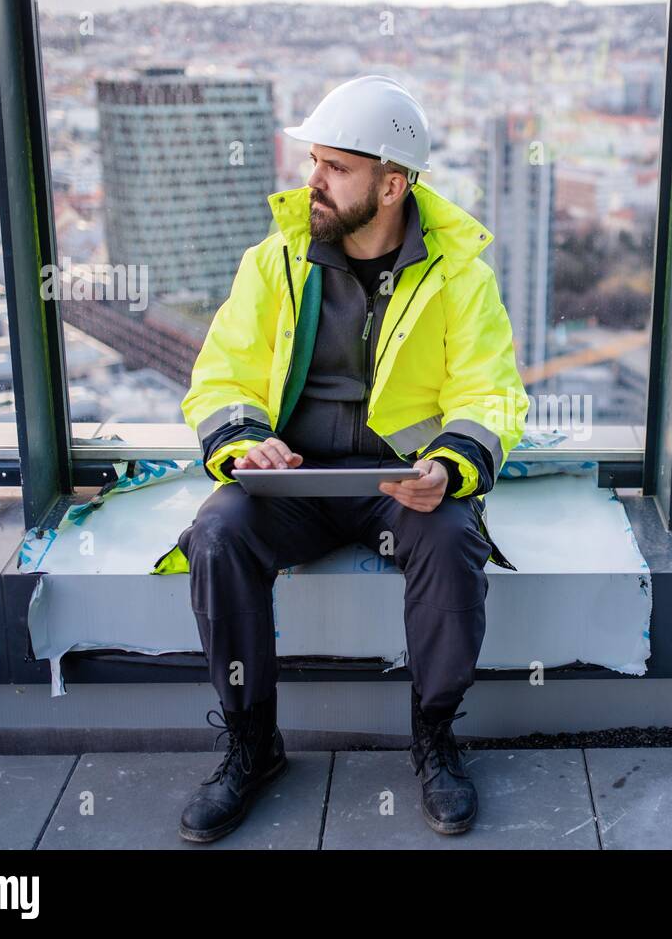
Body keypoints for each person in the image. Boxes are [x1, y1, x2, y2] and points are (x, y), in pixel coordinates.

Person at [164, 74, 530, 842]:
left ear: (391, 184)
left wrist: (450, 464)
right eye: (314, 162)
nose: (313, 181)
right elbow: (221, 374)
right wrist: (239, 444)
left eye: (335, 166)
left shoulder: (461, 277)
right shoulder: (276, 262)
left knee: (454, 538)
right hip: (289, 483)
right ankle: (252, 746)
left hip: (401, 486)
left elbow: (489, 393)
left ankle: (435, 738)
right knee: (218, 535)